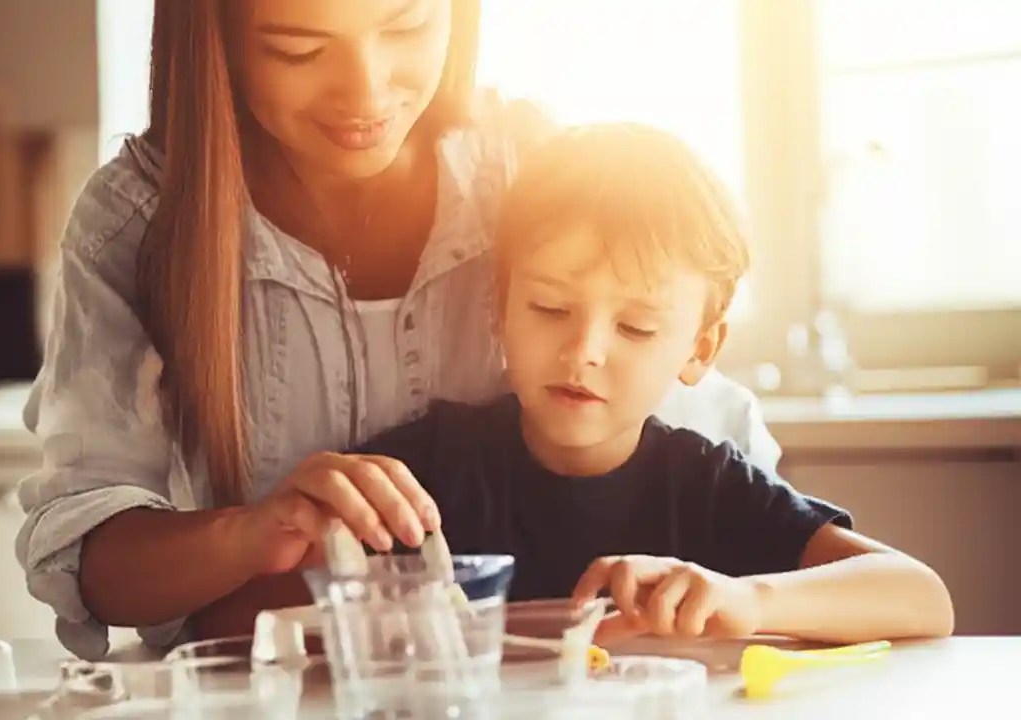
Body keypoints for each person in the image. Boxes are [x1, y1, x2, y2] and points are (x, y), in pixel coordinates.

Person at [18, 0, 783, 660]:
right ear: (215, 36)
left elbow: (725, 484)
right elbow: (92, 558)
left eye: (409, 23)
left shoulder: (528, 168)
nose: (367, 91)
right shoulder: (139, 223)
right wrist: (248, 535)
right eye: (300, 48)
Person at [355, 124, 955, 643]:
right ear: (498, 310)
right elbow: (273, 615)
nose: (583, 352)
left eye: (636, 328)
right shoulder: (423, 473)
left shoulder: (706, 486)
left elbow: (922, 598)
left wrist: (748, 600)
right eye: (550, 309)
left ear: (699, 349)